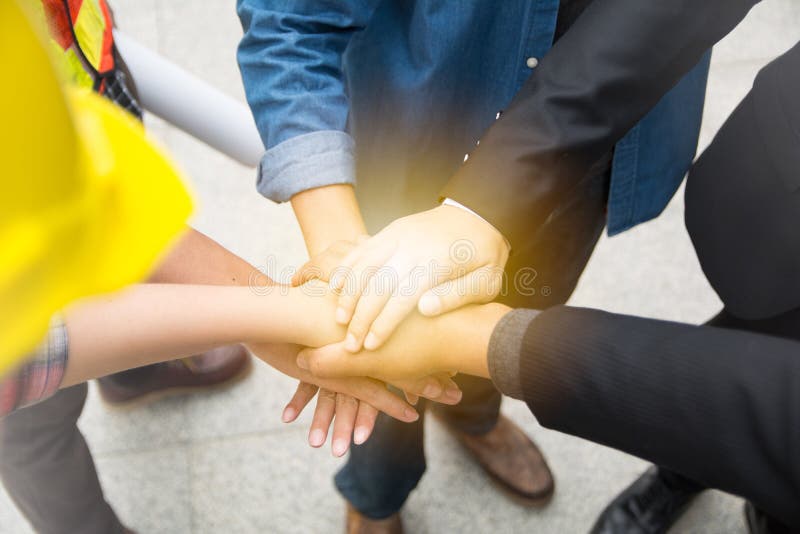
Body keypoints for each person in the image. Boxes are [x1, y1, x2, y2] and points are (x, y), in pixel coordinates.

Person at [298, 17, 800, 534]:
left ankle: (473, 414)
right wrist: (352, 254)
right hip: (431, 126)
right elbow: (290, 22)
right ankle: (377, 492)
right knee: (377, 338)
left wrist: (481, 344)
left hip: (598, 148)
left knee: (522, 296)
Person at [0, 5, 452, 533]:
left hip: (80, 102)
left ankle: (134, 371)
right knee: (32, 433)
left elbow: (102, 218)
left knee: (113, 261)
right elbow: (24, 347)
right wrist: (281, 316)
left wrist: (270, 310)